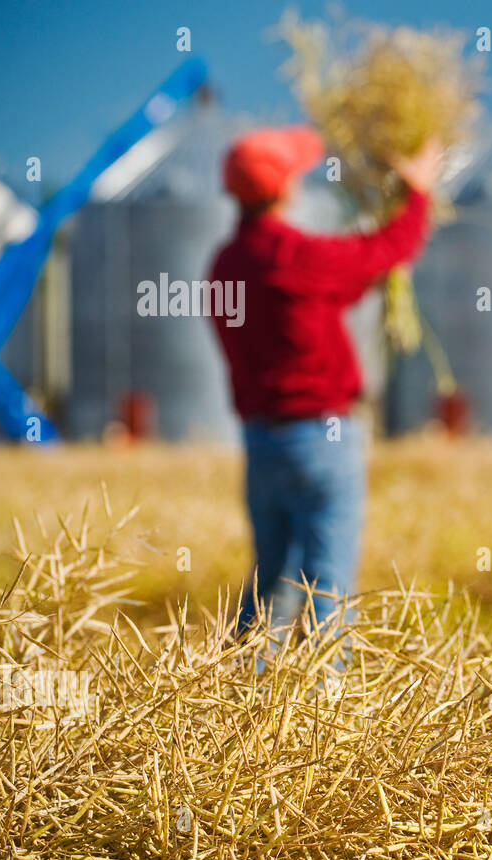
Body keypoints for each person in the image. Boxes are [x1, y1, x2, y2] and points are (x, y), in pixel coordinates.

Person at [208, 125, 443, 649]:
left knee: (269, 580)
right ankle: (325, 710)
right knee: (326, 582)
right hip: (321, 438)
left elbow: (326, 292)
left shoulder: (224, 266)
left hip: (259, 442)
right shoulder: (295, 257)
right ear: (285, 189)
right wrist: (418, 192)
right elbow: (384, 250)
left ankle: (235, 699)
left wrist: (370, 269)